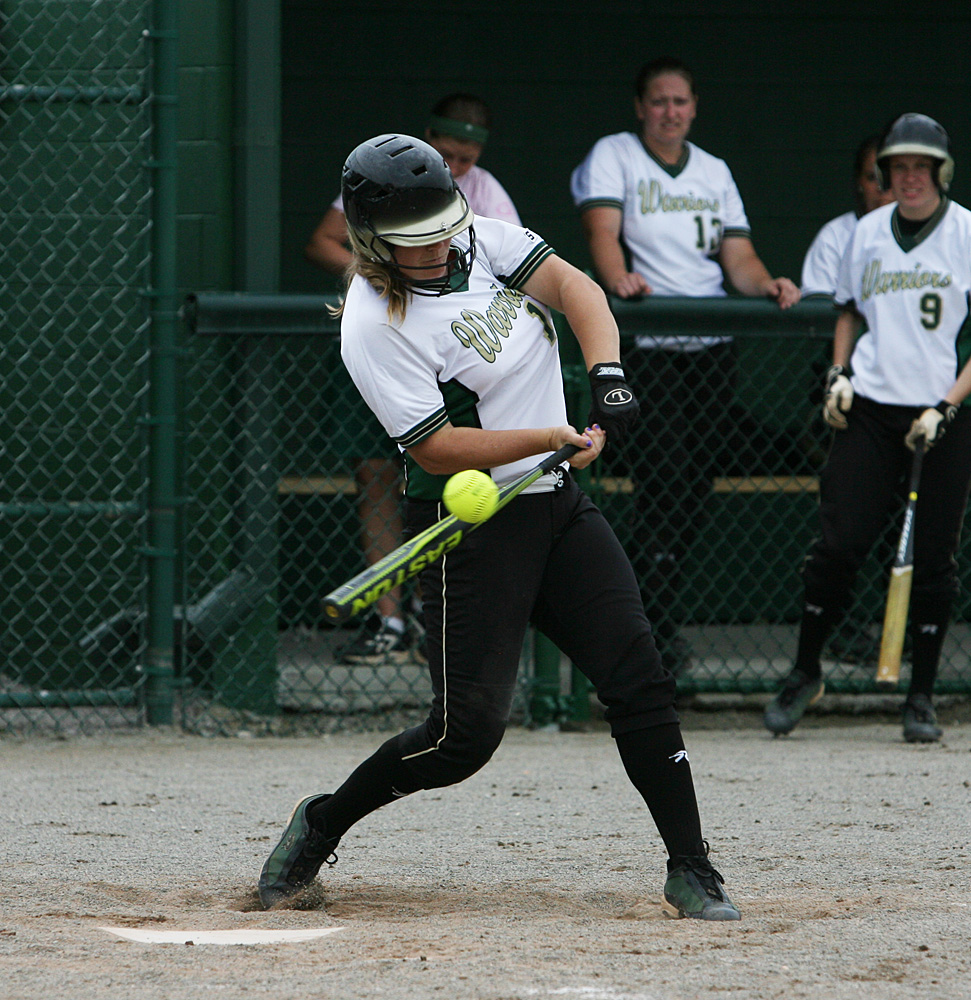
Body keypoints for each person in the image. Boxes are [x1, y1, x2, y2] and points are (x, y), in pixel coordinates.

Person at [259, 133, 741, 921]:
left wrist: (608, 379)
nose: (442, 243)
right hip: (468, 526)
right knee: (461, 738)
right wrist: (544, 435)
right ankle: (323, 823)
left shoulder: (481, 238)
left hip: (556, 505)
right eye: (417, 237)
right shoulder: (374, 320)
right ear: (374, 240)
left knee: (639, 681)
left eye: (443, 223)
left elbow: (575, 286)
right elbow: (435, 447)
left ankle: (691, 867)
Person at [570, 57, 800, 673]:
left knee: (694, 486)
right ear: (641, 106)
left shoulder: (715, 170)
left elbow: (738, 256)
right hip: (650, 345)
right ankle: (644, 626)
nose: (669, 112)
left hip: (712, 348)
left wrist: (767, 285)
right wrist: (617, 279)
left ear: (694, 107)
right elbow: (602, 233)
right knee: (666, 478)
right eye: (658, 101)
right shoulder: (615, 153)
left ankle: (654, 619)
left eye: (680, 102)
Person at [764, 113, 971, 743]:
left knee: (934, 560)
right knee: (838, 546)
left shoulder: (965, 232)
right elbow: (850, 312)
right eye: (897, 167)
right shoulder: (867, 233)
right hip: (873, 410)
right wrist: (837, 373)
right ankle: (805, 670)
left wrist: (947, 405)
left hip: (944, 412)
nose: (908, 178)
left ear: (939, 172)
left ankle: (921, 695)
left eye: (919, 167)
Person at [306, 94, 521, 664]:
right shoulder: (383, 180)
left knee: (448, 476)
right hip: (382, 344)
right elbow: (324, 240)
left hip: (450, 356)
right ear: (428, 139)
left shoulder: (488, 193)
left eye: (468, 154)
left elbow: (513, 270)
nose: (459, 161)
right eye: (448, 150)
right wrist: (379, 279)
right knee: (378, 477)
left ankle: (437, 619)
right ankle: (390, 622)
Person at [802, 135, 896, 664]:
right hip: (846, 399)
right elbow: (824, 325)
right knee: (846, 525)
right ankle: (844, 628)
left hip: (915, 402)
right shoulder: (842, 236)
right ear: (859, 184)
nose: (886, 187)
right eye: (874, 176)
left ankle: (895, 631)